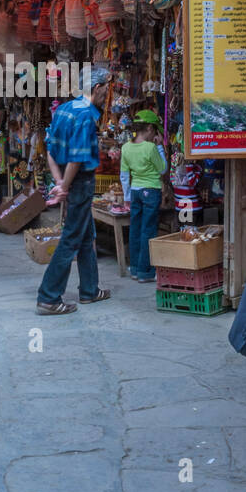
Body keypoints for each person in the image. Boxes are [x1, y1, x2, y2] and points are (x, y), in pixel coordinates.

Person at [36, 66, 113, 315]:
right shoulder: (85, 116)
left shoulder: (65, 109)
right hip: (80, 182)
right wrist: (65, 187)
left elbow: (50, 149)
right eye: (106, 89)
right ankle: (48, 297)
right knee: (70, 240)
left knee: (86, 235)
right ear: (98, 87)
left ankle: (90, 290)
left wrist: (59, 183)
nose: (107, 95)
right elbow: (77, 159)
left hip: (70, 180)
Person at [120, 110, 166, 282]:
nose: (155, 134)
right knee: (148, 230)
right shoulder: (150, 147)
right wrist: (160, 147)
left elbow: (124, 175)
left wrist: (126, 196)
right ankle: (145, 272)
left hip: (135, 191)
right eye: (154, 130)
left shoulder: (125, 147)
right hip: (151, 190)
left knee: (135, 229)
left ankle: (135, 269)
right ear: (148, 128)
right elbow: (162, 169)